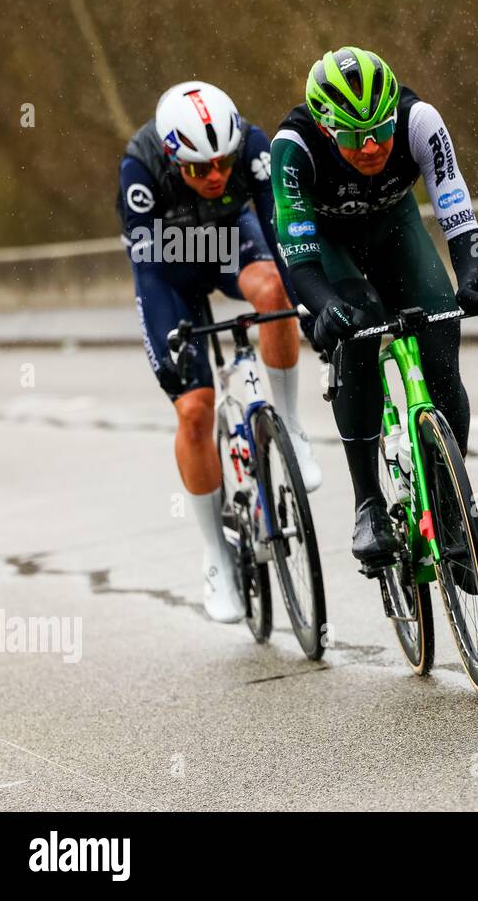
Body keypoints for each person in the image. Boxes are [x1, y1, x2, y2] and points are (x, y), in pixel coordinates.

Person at [270, 47, 478, 567]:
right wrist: (325, 307)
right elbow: (301, 259)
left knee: (440, 332)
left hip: (393, 230)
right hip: (329, 247)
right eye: (357, 138)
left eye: (381, 129)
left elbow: (458, 213)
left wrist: (473, 279)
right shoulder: (293, 148)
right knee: (355, 330)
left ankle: (450, 507)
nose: (375, 145)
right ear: (327, 127)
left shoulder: (419, 122)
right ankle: (368, 504)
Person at [117, 80, 318, 624]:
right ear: (171, 157)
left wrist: (305, 305)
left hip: (233, 242)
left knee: (274, 291)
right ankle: (215, 555)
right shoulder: (140, 170)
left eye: (222, 164)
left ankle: (293, 426)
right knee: (196, 407)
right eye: (199, 170)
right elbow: (151, 265)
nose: (215, 177)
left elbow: (280, 233)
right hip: (170, 270)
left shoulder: (250, 144)